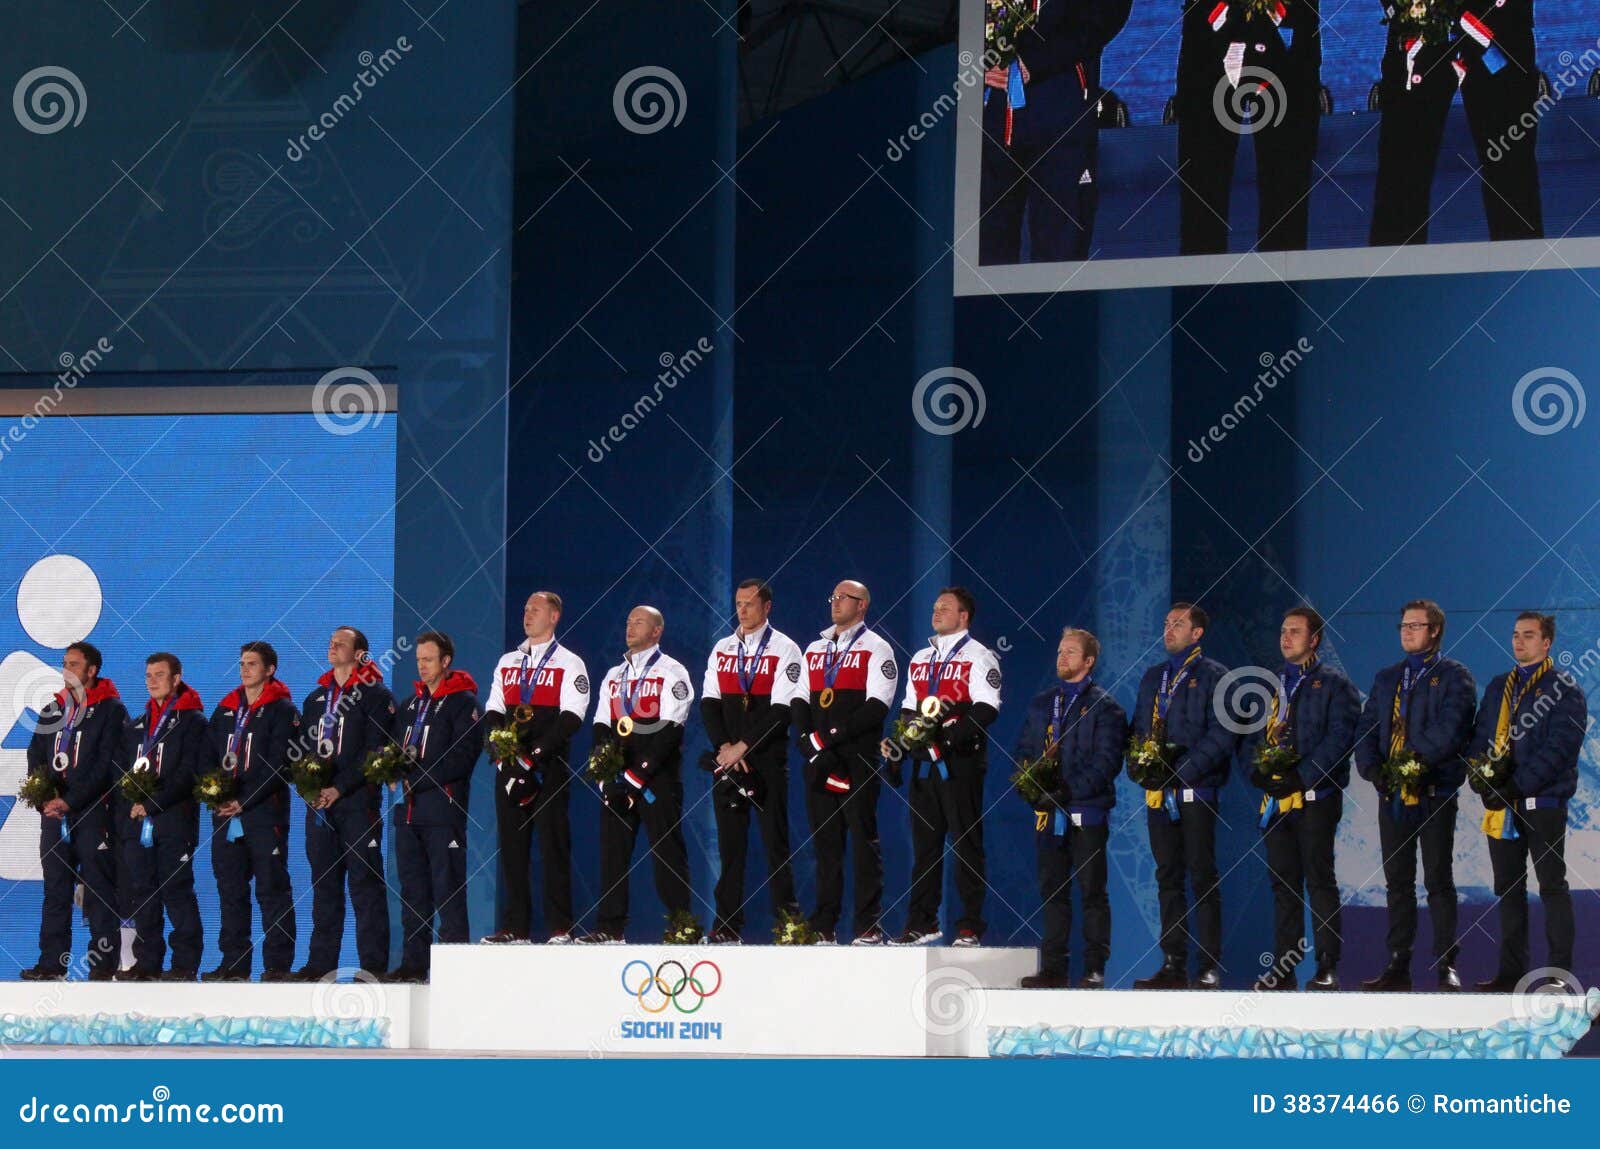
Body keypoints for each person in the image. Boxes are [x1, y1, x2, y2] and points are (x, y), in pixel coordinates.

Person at [1353, 599, 1476, 991]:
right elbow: (1367, 728)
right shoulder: (1388, 677)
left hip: (1434, 790)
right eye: (1403, 625)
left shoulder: (1455, 676)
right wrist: (1375, 770)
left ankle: (1445, 965)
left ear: (1435, 631)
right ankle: (1397, 964)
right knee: (1397, 881)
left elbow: (1451, 728)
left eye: (1415, 626)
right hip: (1391, 795)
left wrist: (1414, 762)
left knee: (1438, 879)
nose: (1407, 631)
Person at [1240, 607, 1359, 991]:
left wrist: (1300, 776)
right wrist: (1258, 771)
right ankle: (1284, 967)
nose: (1285, 637)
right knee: (1283, 883)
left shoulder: (1335, 685)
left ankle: (1327, 965)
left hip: (1315, 797)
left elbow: (1340, 740)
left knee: (1318, 880)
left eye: (1295, 631)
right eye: (1283, 630)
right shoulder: (1273, 684)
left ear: (1314, 639)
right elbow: (1256, 737)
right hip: (1276, 802)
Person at [1465, 611, 1583, 992]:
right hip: (1502, 807)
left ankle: (1559, 977)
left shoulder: (1565, 688)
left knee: (1551, 886)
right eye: (1516, 635)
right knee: (1509, 889)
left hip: (1543, 804)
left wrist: (1516, 786)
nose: (1519, 641)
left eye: (1528, 635)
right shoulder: (1500, 686)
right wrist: (1481, 779)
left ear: (1546, 643)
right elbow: (1480, 737)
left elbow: (1560, 749)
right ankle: (1511, 972)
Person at [1369, 0, 1542, 245]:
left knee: (1512, 176)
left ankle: (1525, 275)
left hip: (1499, 30)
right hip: (1418, 30)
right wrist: (1404, 7)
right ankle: (1391, 277)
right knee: (1401, 178)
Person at [1129, 602, 1237, 989]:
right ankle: (1173, 963)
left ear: (1197, 633)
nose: (1169, 629)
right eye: (1166, 623)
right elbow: (1138, 729)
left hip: (1197, 791)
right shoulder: (1152, 677)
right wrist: (1140, 768)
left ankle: (1208, 964)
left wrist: (1183, 770)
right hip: (1159, 794)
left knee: (1201, 875)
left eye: (1178, 624)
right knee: (1167, 877)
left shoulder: (1215, 676)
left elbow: (1224, 734)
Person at [978, 0, 1133, 263]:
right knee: (987, 258)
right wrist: (977, 58)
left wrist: (1035, 61)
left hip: (1062, 118)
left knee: (1060, 261)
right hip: (989, 120)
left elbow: (1106, 15)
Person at [888, 586, 1001, 947]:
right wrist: (901, 749)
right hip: (924, 766)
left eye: (945, 608)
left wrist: (947, 740)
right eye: (935, 607)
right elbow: (908, 709)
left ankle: (969, 925)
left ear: (963, 616)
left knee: (966, 844)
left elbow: (987, 707)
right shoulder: (921, 657)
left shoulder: (980, 656)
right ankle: (922, 921)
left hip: (960, 764)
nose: (936, 612)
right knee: (924, 848)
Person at [1015, 628, 1126, 988]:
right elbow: (1024, 752)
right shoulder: (1042, 703)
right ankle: (1053, 968)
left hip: (1086, 814)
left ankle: (1094, 968)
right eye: (1060, 650)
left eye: (1071, 652)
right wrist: (1030, 788)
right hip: (1048, 815)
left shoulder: (1106, 708)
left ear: (1088, 661)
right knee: (1052, 890)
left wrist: (1065, 791)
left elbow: (1106, 762)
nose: (1062, 657)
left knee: (1092, 891)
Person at [580, 606, 698, 944]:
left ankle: (682, 927)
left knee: (667, 853)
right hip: (617, 779)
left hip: (656, 778)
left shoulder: (672, 671)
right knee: (612, 854)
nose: (630, 626)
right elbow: (602, 725)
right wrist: (605, 775)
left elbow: (671, 730)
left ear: (657, 631)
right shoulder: (614, 674)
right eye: (628, 620)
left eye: (639, 622)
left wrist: (637, 775)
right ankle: (609, 928)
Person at [792, 580, 898, 945]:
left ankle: (868, 924)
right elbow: (799, 700)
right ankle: (824, 923)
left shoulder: (877, 648)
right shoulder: (814, 649)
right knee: (825, 845)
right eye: (832, 596)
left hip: (857, 760)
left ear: (863, 605)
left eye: (843, 598)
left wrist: (827, 739)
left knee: (863, 842)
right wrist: (810, 744)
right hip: (820, 761)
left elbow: (876, 708)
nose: (835, 602)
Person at [700, 579, 805, 944]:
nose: (742, 610)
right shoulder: (723, 648)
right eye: (738, 603)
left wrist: (743, 746)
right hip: (728, 762)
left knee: (776, 845)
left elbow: (781, 711)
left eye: (749, 604)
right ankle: (726, 926)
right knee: (730, 849)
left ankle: (788, 927)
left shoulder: (786, 649)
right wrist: (724, 747)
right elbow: (709, 703)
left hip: (767, 763)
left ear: (767, 607)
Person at [481, 592, 589, 945]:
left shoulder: (570, 663)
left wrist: (533, 757)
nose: (527, 614)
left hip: (548, 770)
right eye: (525, 608)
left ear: (554, 616)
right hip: (510, 768)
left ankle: (560, 927)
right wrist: (504, 755)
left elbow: (571, 718)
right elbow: (493, 711)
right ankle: (515, 927)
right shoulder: (508, 661)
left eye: (535, 609)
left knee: (552, 846)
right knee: (512, 849)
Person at [1175, 0, 1322, 253]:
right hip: (1207, 41)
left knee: (1287, 189)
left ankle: (1284, 285)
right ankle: (1201, 286)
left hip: (1288, 45)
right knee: (1202, 187)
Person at [19, 642, 126, 982]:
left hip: (93, 813)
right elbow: (36, 754)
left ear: (92, 670)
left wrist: (72, 800)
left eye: (74, 664)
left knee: (97, 889)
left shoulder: (111, 710)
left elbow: (107, 765)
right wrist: (45, 797)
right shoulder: (54, 708)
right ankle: (53, 964)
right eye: (64, 664)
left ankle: (103, 964)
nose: (66, 670)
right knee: (56, 890)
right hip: (54, 814)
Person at [295, 626, 396, 980]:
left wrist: (339, 787)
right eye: (331, 641)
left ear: (359, 654)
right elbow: (301, 753)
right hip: (319, 808)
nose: (332, 645)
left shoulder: (375, 696)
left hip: (356, 804)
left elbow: (375, 750)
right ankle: (321, 965)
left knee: (364, 885)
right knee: (324, 887)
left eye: (341, 643)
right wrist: (308, 789)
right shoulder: (315, 699)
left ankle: (372, 966)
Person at [383, 631, 483, 983]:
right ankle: (414, 966)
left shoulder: (464, 703)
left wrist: (415, 781)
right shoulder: (410, 704)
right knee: (413, 895)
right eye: (418, 660)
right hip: (407, 815)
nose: (422, 666)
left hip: (443, 813)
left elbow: (460, 759)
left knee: (449, 890)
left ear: (446, 661)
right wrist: (389, 771)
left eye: (428, 659)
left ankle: (454, 972)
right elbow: (395, 749)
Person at [203, 641, 300, 982]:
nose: (244, 669)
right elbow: (207, 756)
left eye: (252, 664)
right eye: (242, 663)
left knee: (271, 889)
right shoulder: (226, 708)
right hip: (225, 815)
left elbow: (280, 764)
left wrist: (246, 800)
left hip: (263, 814)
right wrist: (214, 793)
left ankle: (277, 965)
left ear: (270, 670)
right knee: (231, 890)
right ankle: (234, 963)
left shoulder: (283, 710)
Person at [112, 652, 206, 982]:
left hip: (173, 820)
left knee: (176, 890)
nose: (152, 680)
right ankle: (147, 962)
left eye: (160, 674)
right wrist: (132, 804)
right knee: (143, 892)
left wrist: (151, 803)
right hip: (137, 822)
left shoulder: (192, 721)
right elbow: (122, 771)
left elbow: (189, 773)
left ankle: (184, 963)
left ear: (177, 679)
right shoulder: (138, 725)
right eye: (148, 674)